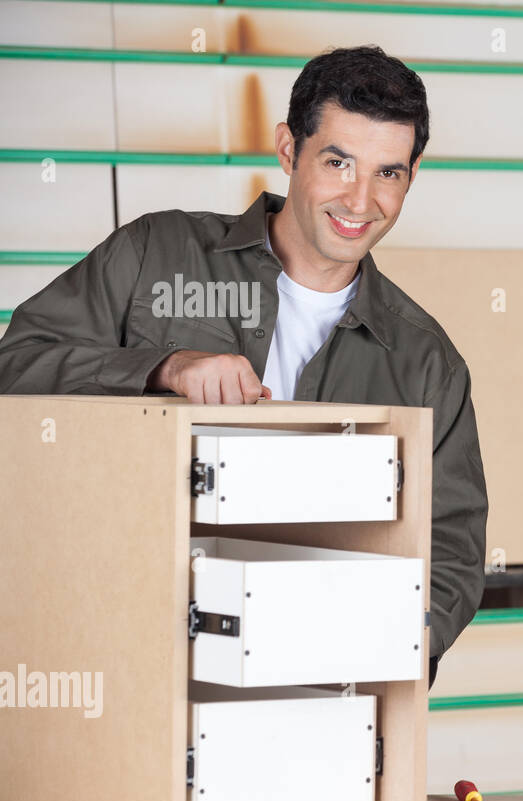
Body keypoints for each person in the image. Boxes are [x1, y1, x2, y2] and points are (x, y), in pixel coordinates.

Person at [0, 46, 488, 682]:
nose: (360, 200)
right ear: (288, 149)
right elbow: (16, 368)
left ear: (411, 176)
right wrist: (163, 369)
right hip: (116, 652)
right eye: (338, 162)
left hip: (308, 683)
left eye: (387, 173)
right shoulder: (157, 253)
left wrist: (383, 653)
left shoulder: (427, 361)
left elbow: (450, 550)